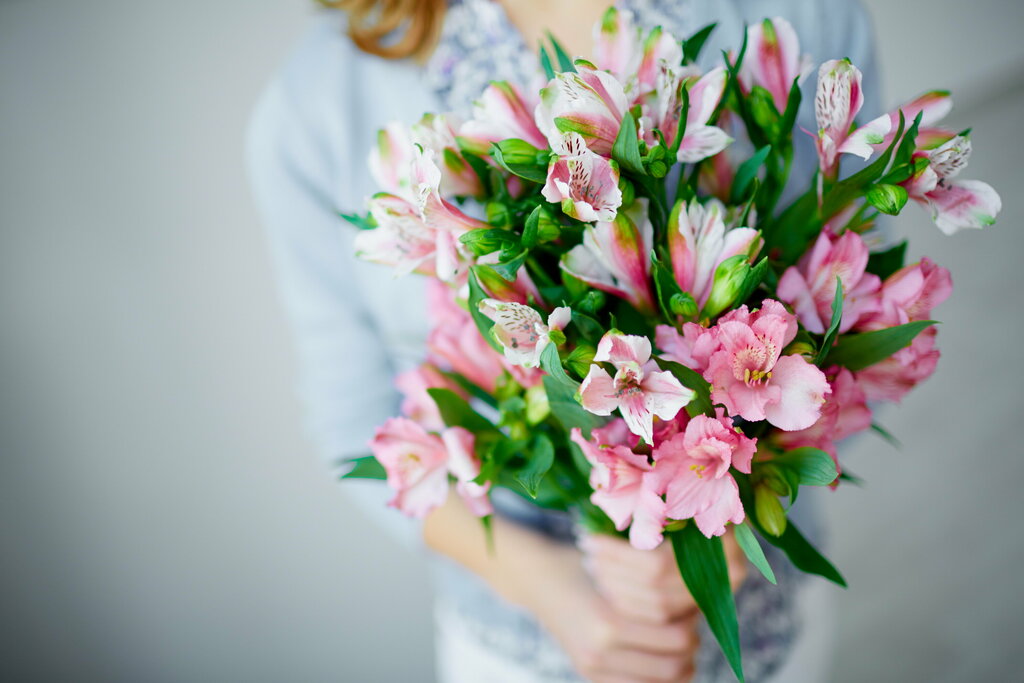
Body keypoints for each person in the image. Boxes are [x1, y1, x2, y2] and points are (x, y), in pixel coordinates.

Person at [247, 1, 880, 680]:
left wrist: (740, 501)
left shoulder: (800, 12)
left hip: (771, 623)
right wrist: (547, 585)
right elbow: (356, 427)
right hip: (520, 645)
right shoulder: (314, 109)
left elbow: (865, 309)